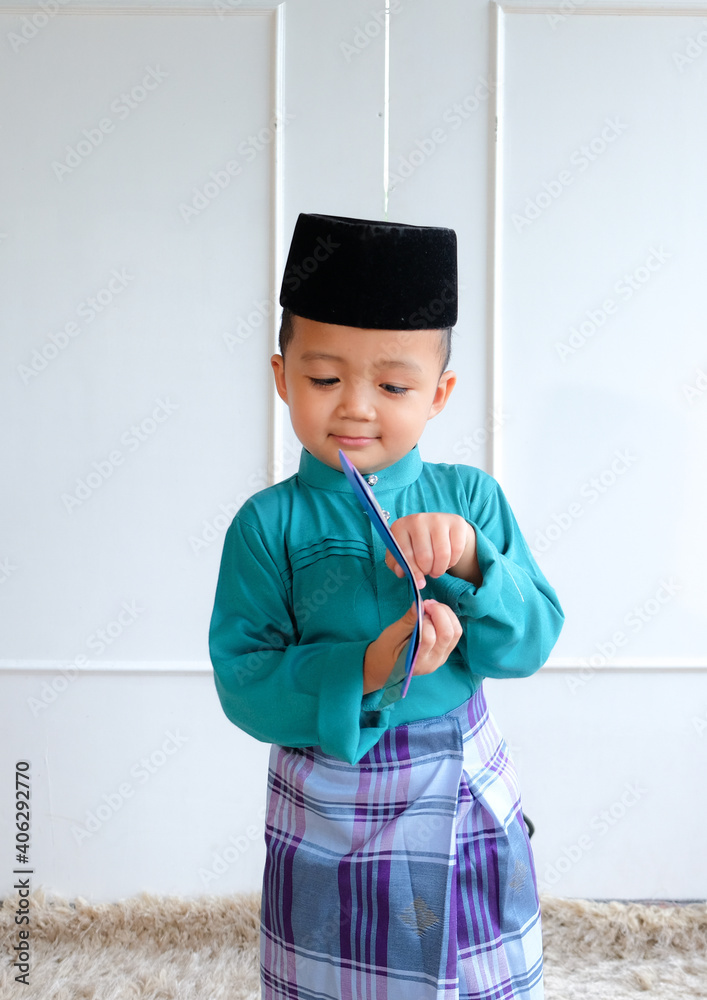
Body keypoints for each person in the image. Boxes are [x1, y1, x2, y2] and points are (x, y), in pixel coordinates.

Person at [209, 213, 564, 1000]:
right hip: (327, 796)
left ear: (437, 394)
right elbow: (244, 682)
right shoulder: (267, 525)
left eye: (394, 385)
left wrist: (471, 557)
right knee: (331, 970)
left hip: (458, 779)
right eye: (325, 378)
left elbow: (529, 642)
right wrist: (365, 669)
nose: (357, 408)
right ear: (281, 376)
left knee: (474, 970)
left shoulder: (469, 500)